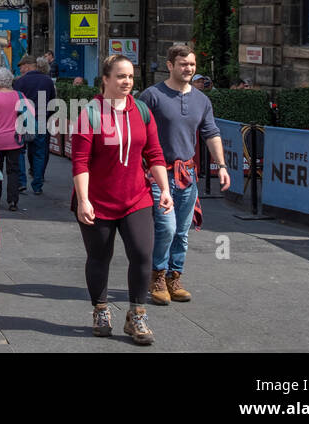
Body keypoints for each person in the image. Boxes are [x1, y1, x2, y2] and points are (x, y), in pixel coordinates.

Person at [72, 54, 173, 346]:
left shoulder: (141, 111)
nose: (127, 81)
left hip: (136, 197)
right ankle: (100, 310)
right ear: (105, 79)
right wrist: (83, 200)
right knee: (99, 257)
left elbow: (154, 154)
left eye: (130, 76)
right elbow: (80, 163)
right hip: (98, 201)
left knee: (143, 254)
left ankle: (136, 315)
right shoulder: (89, 113)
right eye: (120, 76)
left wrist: (164, 189)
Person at [143, 44, 230, 307]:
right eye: (183, 64)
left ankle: (174, 277)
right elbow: (136, 130)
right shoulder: (151, 96)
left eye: (191, 64)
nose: (188, 68)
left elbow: (211, 133)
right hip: (159, 174)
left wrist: (222, 166)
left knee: (182, 231)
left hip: (187, 175)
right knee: (166, 227)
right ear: (170, 65)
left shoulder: (201, 99)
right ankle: (156, 276)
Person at [0, 67, 35, 212]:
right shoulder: (20, 96)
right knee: (14, 171)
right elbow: (31, 114)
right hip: (15, 140)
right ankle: (13, 201)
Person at [14, 55, 57, 196]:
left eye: (21, 67)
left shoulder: (20, 82)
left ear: (27, 65)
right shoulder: (47, 81)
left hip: (24, 119)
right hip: (41, 119)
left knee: (20, 151)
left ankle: (21, 182)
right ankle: (37, 185)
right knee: (39, 152)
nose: (20, 70)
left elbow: (16, 103)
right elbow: (52, 102)